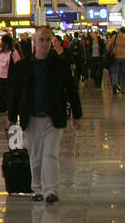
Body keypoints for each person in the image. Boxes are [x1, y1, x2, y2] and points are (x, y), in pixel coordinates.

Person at [8, 24, 82, 203]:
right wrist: (11, 117)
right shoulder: (23, 66)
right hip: (31, 117)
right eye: (41, 39)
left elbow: (71, 89)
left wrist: (77, 115)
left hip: (53, 117)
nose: (45, 43)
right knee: (35, 155)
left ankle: (51, 190)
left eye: (48, 40)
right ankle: (37, 188)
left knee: (50, 154)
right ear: (34, 41)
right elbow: (15, 93)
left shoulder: (60, 65)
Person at [0, 34, 20, 115]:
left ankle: (10, 109)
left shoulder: (13, 52)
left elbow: (17, 64)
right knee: (0, 94)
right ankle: (2, 109)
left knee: (9, 95)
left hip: (9, 77)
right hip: (0, 76)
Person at [107, 26, 125, 94]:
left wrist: (111, 51)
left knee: (115, 72)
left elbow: (108, 46)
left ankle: (114, 84)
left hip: (115, 57)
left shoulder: (114, 37)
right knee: (124, 73)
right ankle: (123, 89)